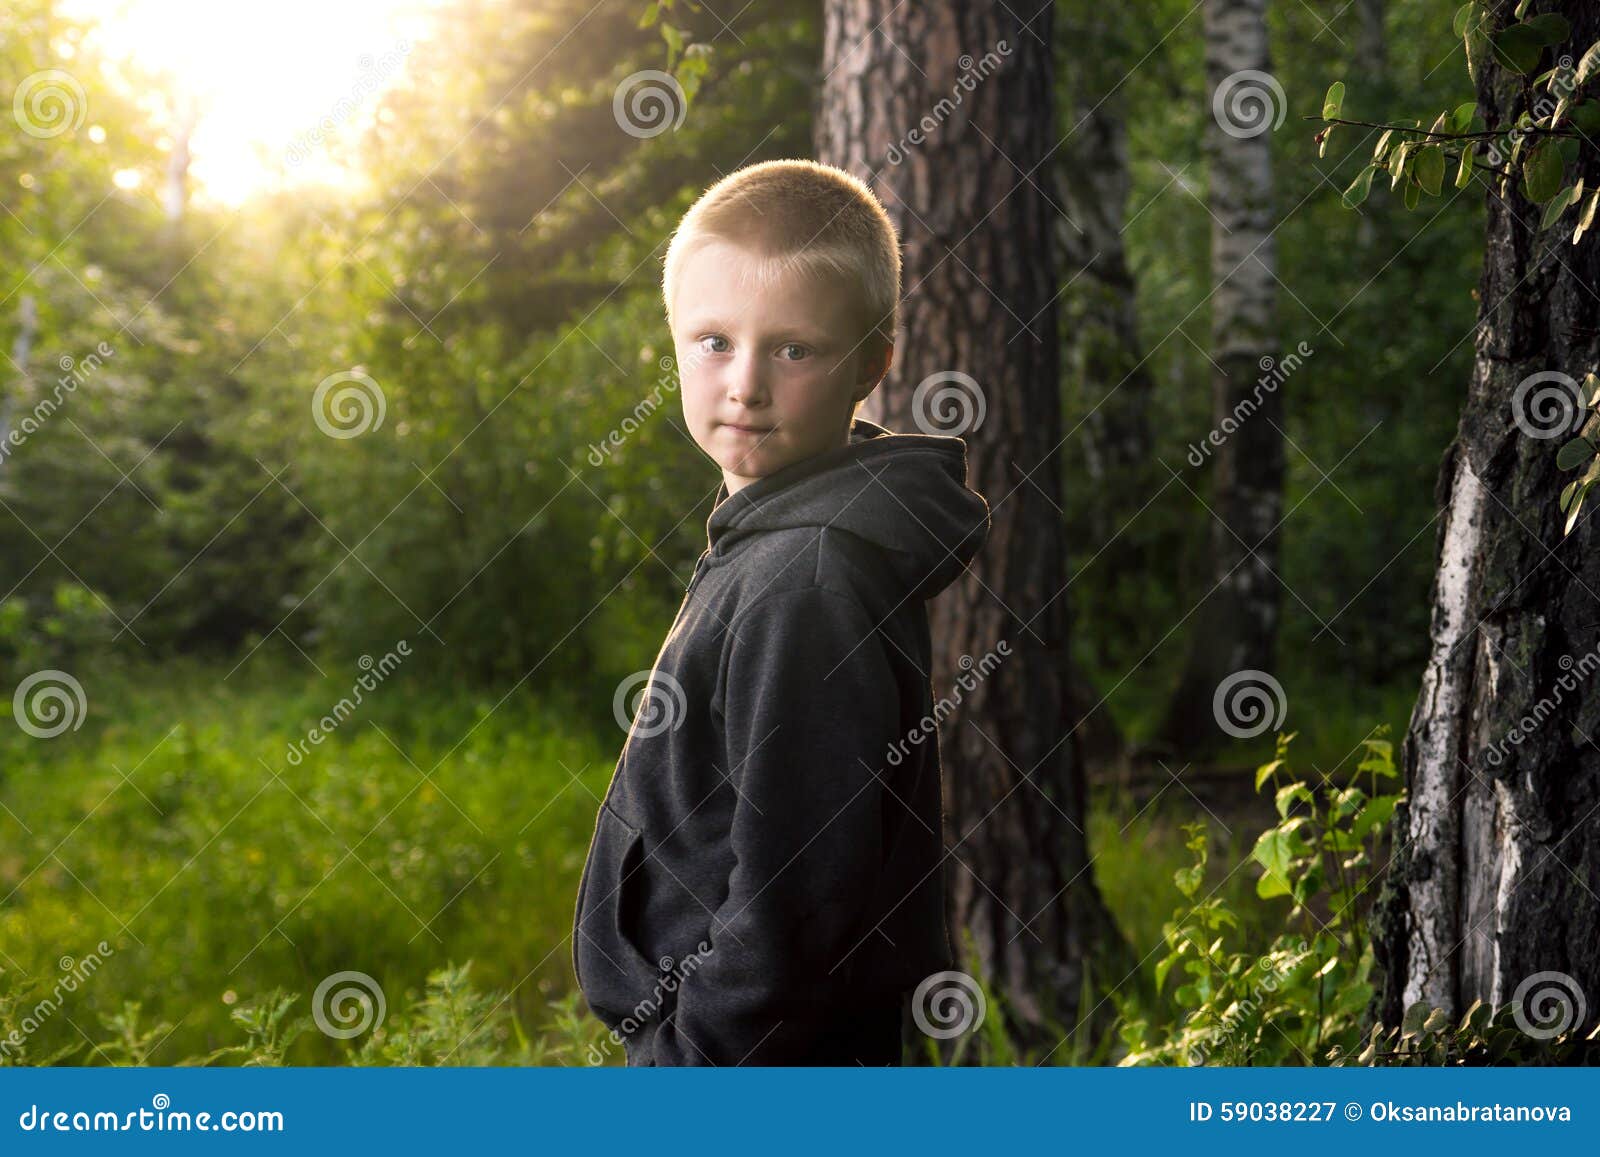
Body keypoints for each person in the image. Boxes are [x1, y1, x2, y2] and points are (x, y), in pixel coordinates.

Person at [571, 158, 991, 1066]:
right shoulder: (778, 536)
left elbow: (792, 910)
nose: (745, 383)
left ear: (871, 364)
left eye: (793, 348)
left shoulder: (807, 580)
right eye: (713, 340)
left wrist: (693, 1056)